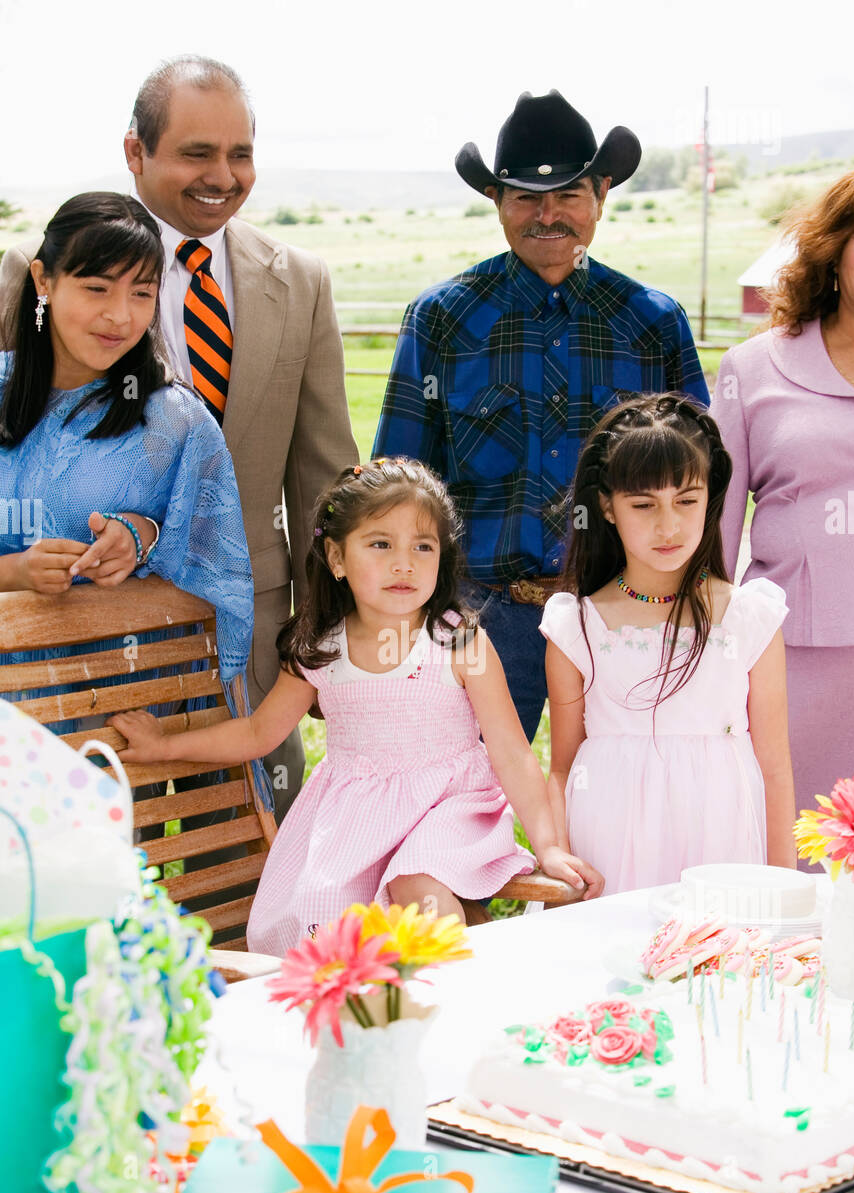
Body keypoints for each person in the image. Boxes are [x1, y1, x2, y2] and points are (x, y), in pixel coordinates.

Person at [0, 55, 358, 819]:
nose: (221, 176)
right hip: (56, 639)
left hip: (245, 623)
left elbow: (326, 479)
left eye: (241, 154)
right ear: (136, 152)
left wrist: (328, 628)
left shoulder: (300, 278)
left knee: (243, 834)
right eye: (197, 153)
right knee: (81, 842)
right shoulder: (33, 268)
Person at [110, 459, 604, 954]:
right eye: (381, 544)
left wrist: (549, 847)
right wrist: (164, 744)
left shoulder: (457, 641)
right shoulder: (322, 648)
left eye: (423, 547)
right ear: (337, 557)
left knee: (419, 888)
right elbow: (259, 734)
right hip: (355, 817)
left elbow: (513, 754)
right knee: (326, 925)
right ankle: (364, 1015)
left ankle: (450, 1002)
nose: (404, 563)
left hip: (451, 809)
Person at [373, 90, 709, 742]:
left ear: (602, 193)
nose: (548, 214)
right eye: (525, 196)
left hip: (630, 615)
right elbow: (399, 487)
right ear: (496, 201)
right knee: (469, 806)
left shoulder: (653, 323)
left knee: (626, 799)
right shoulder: (441, 319)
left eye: (569, 195)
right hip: (485, 619)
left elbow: (702, 484)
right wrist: (393, 617)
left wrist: (694, 601)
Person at [0, 192, 266, 795]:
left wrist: (141, 540)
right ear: (44, 280)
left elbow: (217, 572)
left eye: (141, 293)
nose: (120, 316)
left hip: (105, 715)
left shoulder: (173, 421)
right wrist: (13, 571)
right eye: (97, 288)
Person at [541, 395, 796, 897]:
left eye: (686, 500)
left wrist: (783, 888)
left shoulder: (750, 617)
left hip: (721, 843)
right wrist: (559, 862)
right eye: (643, 504)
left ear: (710, 498)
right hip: (609, 843)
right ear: (608, 507)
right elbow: (563, 767)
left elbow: (774, 766)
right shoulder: (578, 626)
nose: (669, 525)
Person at [712, 167, 854, 828]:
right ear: (834, 250)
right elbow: (710, 532)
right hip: (790, 667)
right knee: (796, 860)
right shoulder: (752, 370)